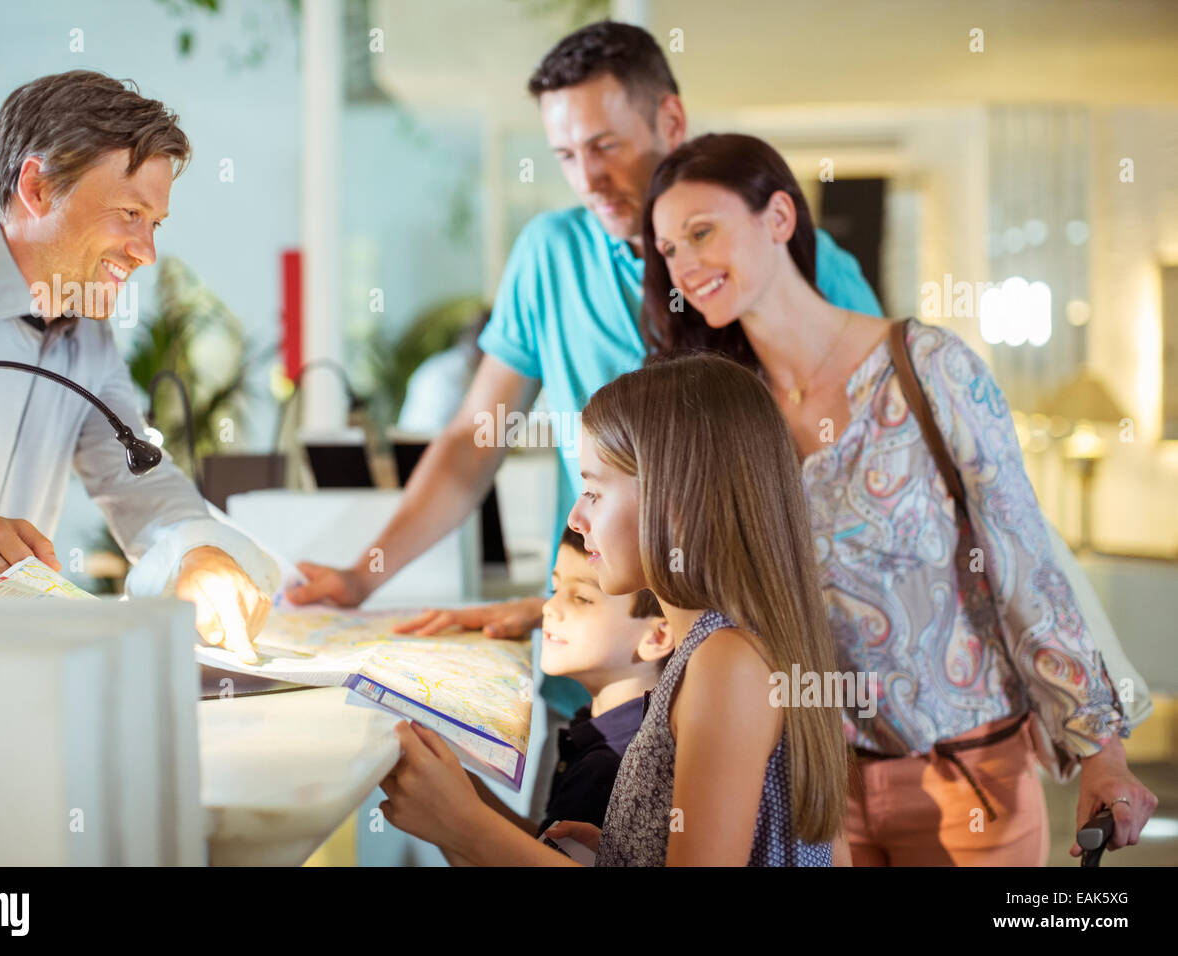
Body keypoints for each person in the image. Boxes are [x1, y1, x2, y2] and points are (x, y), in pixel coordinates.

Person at [288, 20, 881, 719]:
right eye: (566, 154)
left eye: (606, 145)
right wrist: (364, 574)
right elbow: (474, 441)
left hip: (744, 661)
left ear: (670, 119)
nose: (589, 179)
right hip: (603, 669)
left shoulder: (787, 268)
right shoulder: (550, 254)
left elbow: (844, 484)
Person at [640, 131, 1158, 864]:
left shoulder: (928, 368)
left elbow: (1025, 566)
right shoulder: (726, 411)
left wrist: (1101, 750)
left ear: (779, 217)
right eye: (667, 251)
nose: (685, 265)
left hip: (969, 778)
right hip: (812, 786)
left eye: (701, 232)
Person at [380, 354, 849, 866]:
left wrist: (464, 826)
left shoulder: (727, 664)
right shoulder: (719, 652)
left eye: (594, 492)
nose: (577, 518)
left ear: (677, 504)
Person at [0, 71, 276, 660]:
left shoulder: (88, 332)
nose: (147, 252)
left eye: (154, 223)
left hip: (9, 678)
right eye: (129, 213)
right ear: (37, 187)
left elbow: (136, 473)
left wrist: (198, 551)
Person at [431, 527, 671, 865]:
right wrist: (461, 791)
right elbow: (542, 848)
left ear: (657, 636)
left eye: (581, 598)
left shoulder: (608, 768)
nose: (549, 608)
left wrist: (448, 823)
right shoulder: (613, 728)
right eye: (554, 589)